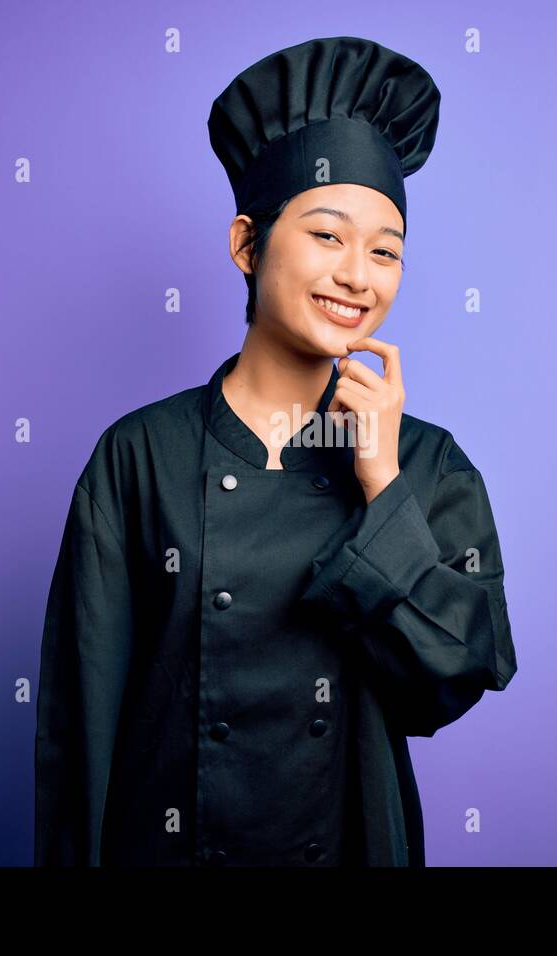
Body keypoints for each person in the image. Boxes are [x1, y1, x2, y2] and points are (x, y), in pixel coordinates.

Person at [34, 35, 518, 868]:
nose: (358, 276)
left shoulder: (428, 465)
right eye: (328, 235)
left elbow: (448, 684)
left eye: (386, 249)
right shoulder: (139, 457)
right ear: (246, 245)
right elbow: (81, 725)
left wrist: (381, 484)